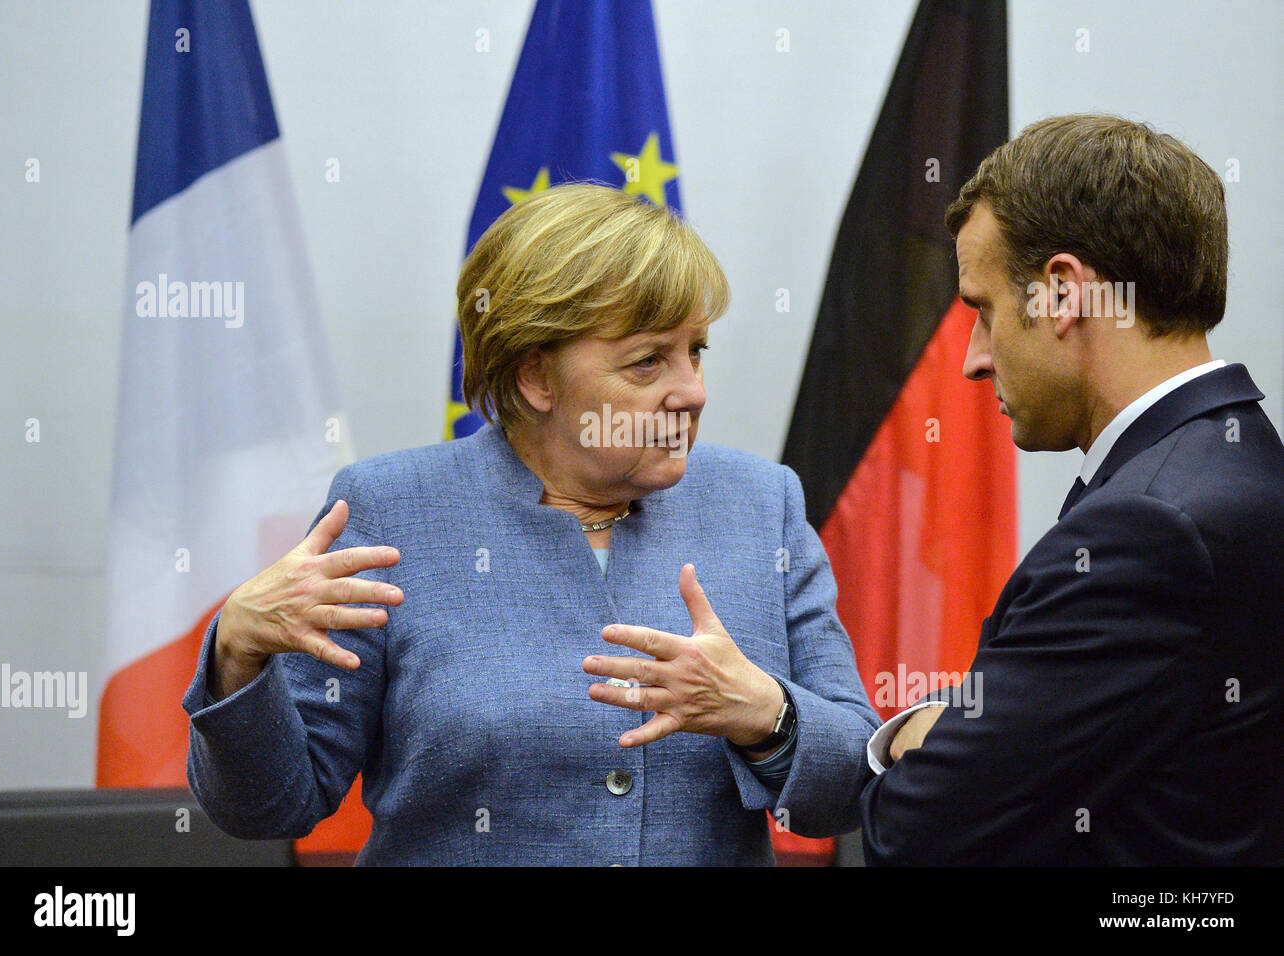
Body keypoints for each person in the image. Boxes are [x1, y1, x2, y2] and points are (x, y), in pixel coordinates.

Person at [184, 183, 880, 865]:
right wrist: (235, 657)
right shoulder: (391, 510)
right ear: (536, 379)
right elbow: (273, 806)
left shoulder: (761, 505)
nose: (692, 391)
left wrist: (765, 714)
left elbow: (858, 784)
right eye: (648, 361)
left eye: (696, 350)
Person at [858, 115, 1284, 865]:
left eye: (984, 311)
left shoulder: (1149, 530)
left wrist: (915, 738)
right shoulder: (1240, 460)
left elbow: (911, 834)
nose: (973, 360)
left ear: (1061, 292)